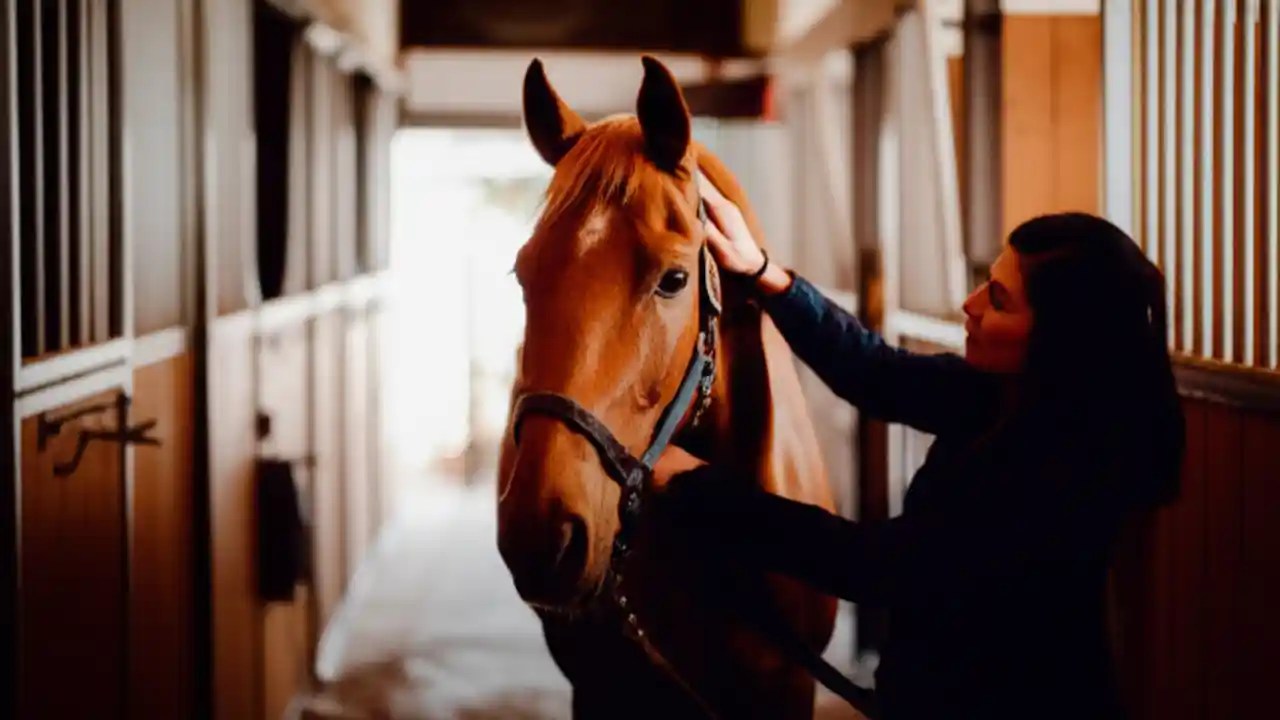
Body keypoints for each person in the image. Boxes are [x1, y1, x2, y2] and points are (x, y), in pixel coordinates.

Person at [650, 177, 1185, 720]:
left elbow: (878, 565)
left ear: (1058, 341)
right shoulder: (1007, 392)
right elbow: (875, 372)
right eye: (985, 283)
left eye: (998, 300)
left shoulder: (1065, 468)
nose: (969, 305)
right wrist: (765, 274)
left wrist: (697, 487)